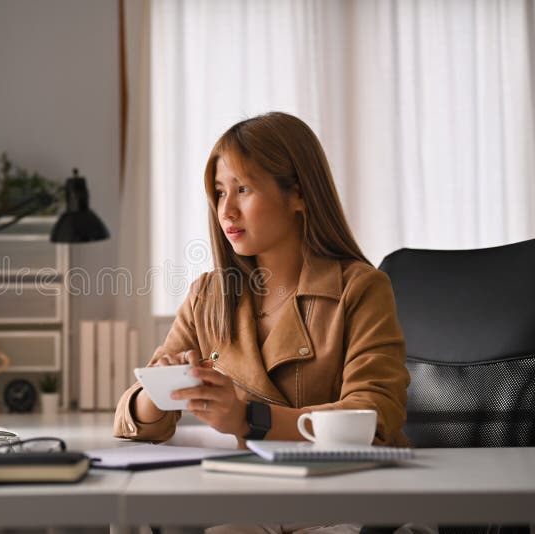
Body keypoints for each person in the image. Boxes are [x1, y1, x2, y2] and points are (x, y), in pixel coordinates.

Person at [113, 111, 411, 533]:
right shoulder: (209, 295)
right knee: (130, 517)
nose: (226, 209)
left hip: (348, 503)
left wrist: (248, 419)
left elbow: (374, 416)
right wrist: (161, 391)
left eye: (243, 188)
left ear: (299, 195)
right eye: (219, 192)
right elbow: (134, 419)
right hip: (257, 498)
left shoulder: (360, 289)